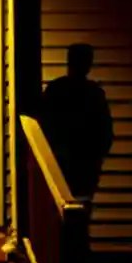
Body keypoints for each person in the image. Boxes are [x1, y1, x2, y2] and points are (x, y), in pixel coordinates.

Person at [38, 43, 114, 200]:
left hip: (67, 162)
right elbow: (105, 130)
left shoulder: (56, 89)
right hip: (81, 164)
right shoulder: (93, 93)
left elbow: (44, 125)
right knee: (80, 208)